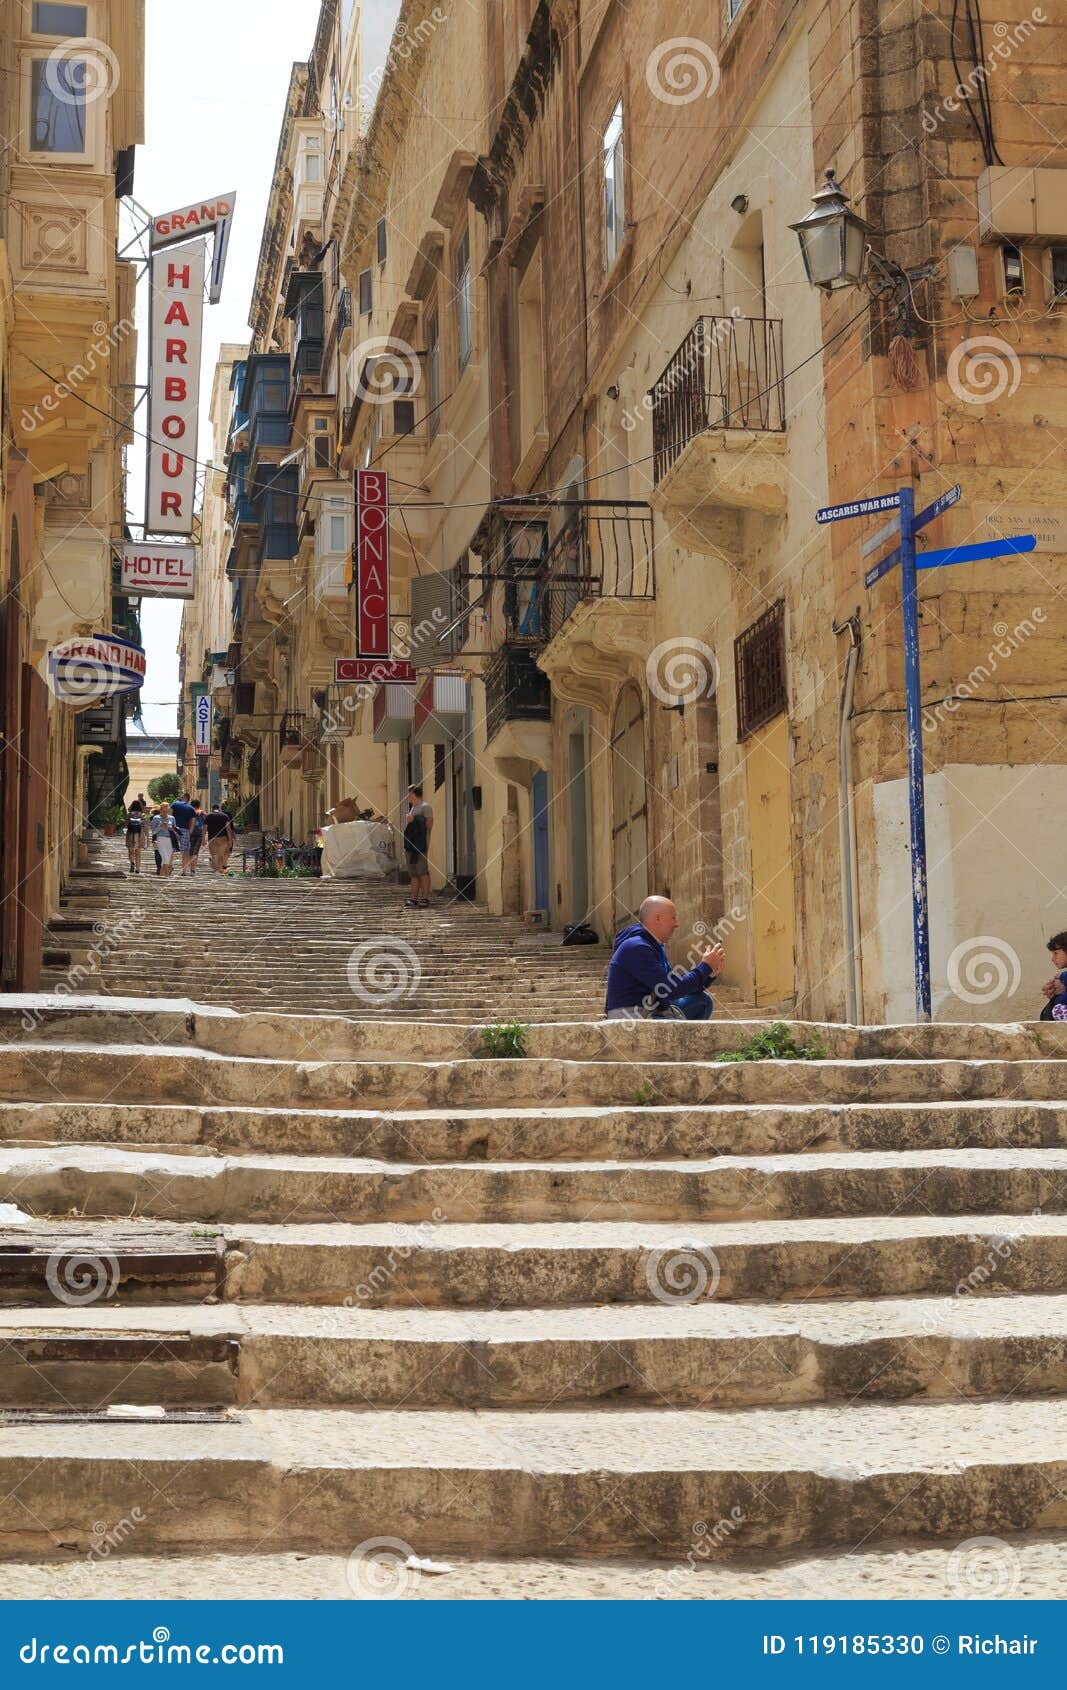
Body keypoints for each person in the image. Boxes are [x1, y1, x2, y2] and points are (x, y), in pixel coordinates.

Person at [605, 895, 724, 1020]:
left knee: (703, 1001)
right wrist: (705, 967)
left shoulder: (654, 946)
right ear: (657, 918)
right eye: (673, 918)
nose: (677, 923)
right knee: (672, 1020)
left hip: (653, 1009)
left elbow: (678, 988)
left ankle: (686, 1038)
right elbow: (668, 989)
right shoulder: (636, 947)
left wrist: (709, 974)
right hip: (632, 1016)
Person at [403, 784, 433, 908]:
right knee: (413, 872)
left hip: (420, 845)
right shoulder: (413, 808)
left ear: (413, 794)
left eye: (408, 794)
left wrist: (413, 820)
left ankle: (425, 898)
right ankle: (413, 898)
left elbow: (429, 824)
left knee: (422, 871)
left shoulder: (425, 807)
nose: (407, 797)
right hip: (411, 844)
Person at [1040, 932, 1067, 1020]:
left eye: (1056, 953)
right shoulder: (1063, 977)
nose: (1052, 959)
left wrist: (1058, 997)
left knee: (1057, 1010)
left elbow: (1064, 1000)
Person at [170, 791, 198, 877]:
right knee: (185, 852)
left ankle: (169, 866)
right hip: (185, 830)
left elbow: (169, 816)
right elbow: (192, 822)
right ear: (188, 799)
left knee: (171, 849)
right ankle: (184, 871)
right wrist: (190, 832)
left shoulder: (174, 804)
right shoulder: (191, 809)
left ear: (183, 797)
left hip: (174, 829)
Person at [204, 803, 236, 872]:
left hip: (212, 838)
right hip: (223, 839)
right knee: (221, 855)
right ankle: (220, 869)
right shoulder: (224, 816)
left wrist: (203, 839)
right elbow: (228, 828)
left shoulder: (208, 816)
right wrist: (230, 840)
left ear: (212, 809)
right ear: (219, 809)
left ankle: (216, 869)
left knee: (214, 855)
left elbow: (205, 828)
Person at [151, 802, 177, 877]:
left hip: (170, 839)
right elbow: (153, 832)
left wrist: (172, 829)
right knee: (165, 857)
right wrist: (160, 826)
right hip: (160, 839)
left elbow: (175, 829)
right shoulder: (156, 818)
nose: (166, 809)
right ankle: (167, 875)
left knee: (167, 859)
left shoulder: (172, 818)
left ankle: (162, 876)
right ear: (161, 809)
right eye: (164, 807)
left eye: (167, 807)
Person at [124, 795, 145, 874]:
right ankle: (138, 869)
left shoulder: (129, 815)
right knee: (138, 852)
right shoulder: (142, 815)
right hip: (139, 834)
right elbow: (145, 826)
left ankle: (132, 863)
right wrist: (147, 836)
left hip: (130, 834)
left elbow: (126, 825)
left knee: (131, 851)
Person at [188, 801, 206, 874]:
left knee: (190, 851)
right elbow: (206, 824)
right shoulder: (203, 813)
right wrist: (204, 837)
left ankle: (189, 866)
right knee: (196, 852)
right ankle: (193, 868)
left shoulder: (189, 812)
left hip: (190, 833)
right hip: (199, 834)